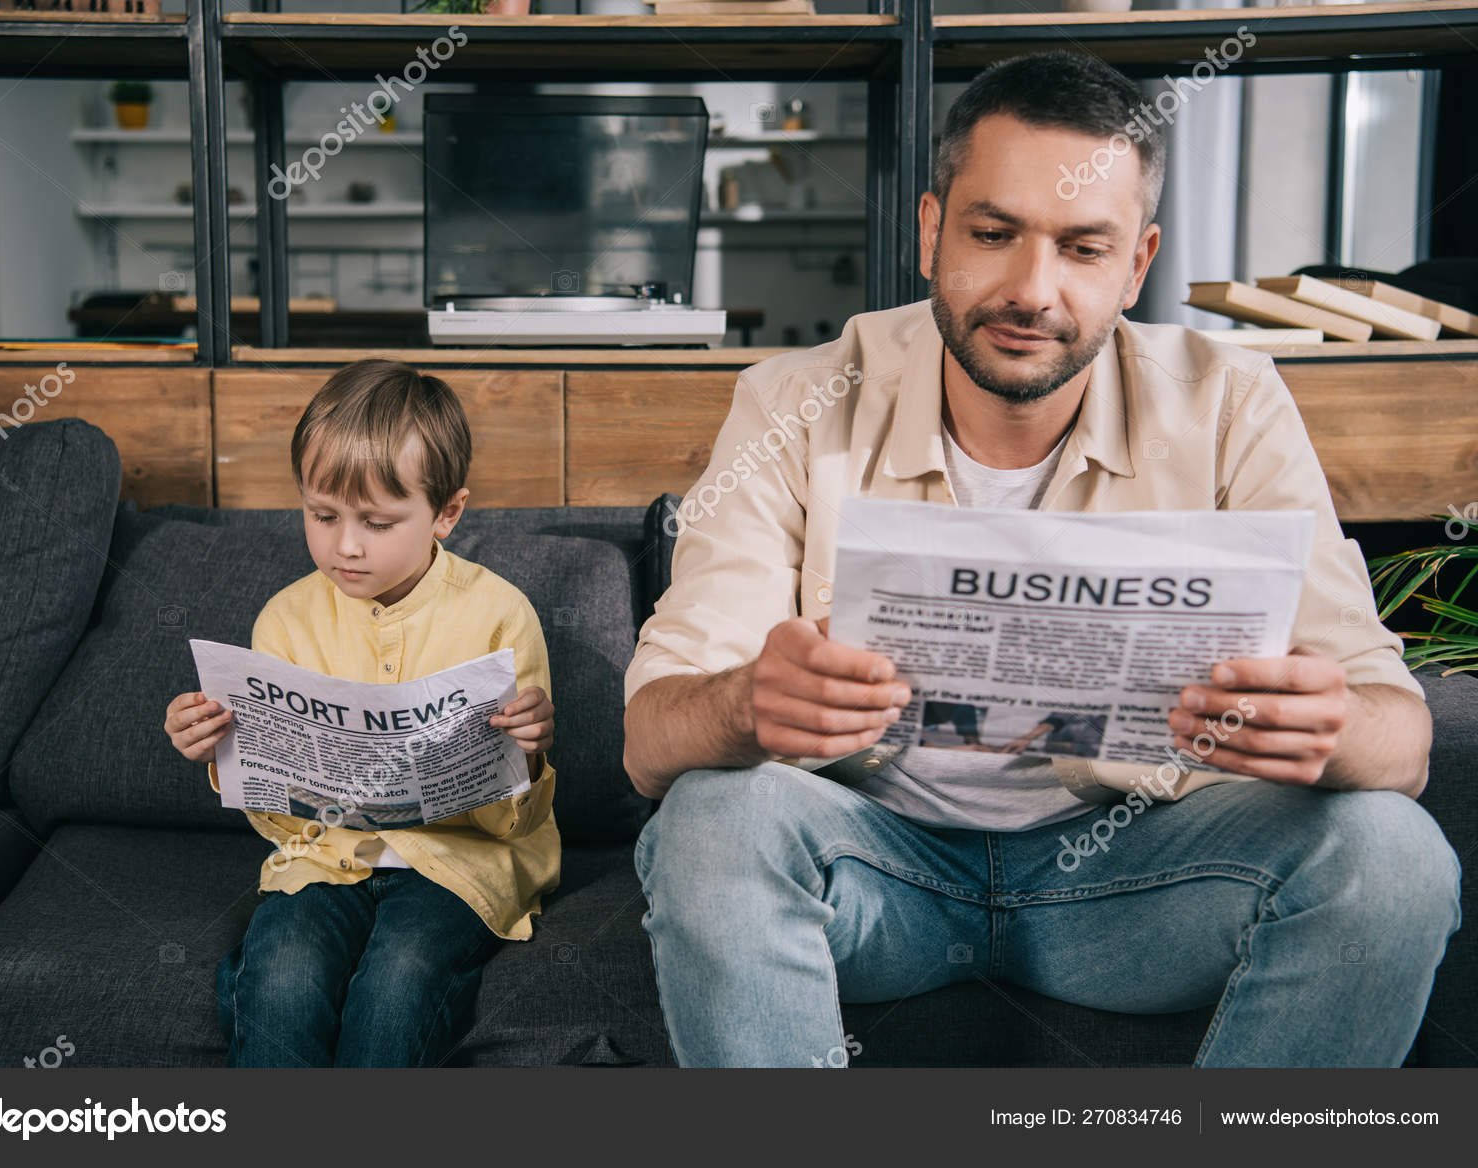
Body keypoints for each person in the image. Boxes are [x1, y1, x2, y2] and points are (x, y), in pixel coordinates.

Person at [622, 51, 1461, 1068]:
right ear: (931, 230)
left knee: (1394, 855)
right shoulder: (794, 402)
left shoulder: (1228, 399)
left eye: (1082, 248)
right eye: (992, 234)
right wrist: (742, 703)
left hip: (1130, 879)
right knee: (714, 817)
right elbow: (648, 740)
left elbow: (1400, 743)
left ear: (1136, 262)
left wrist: (1328, 729)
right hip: (872, 868)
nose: (1033, 290)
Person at [163, 360, 559, 1067]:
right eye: (322, 515)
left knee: (397, 988)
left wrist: (525, 753)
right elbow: (280, 822)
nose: (345, 545)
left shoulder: (501, 614)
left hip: (459, 862)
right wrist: (222, 752)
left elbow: (511, 822)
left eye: (377, 522)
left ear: (447, 512)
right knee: (280, 978)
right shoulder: (284, 619)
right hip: (321, 855)